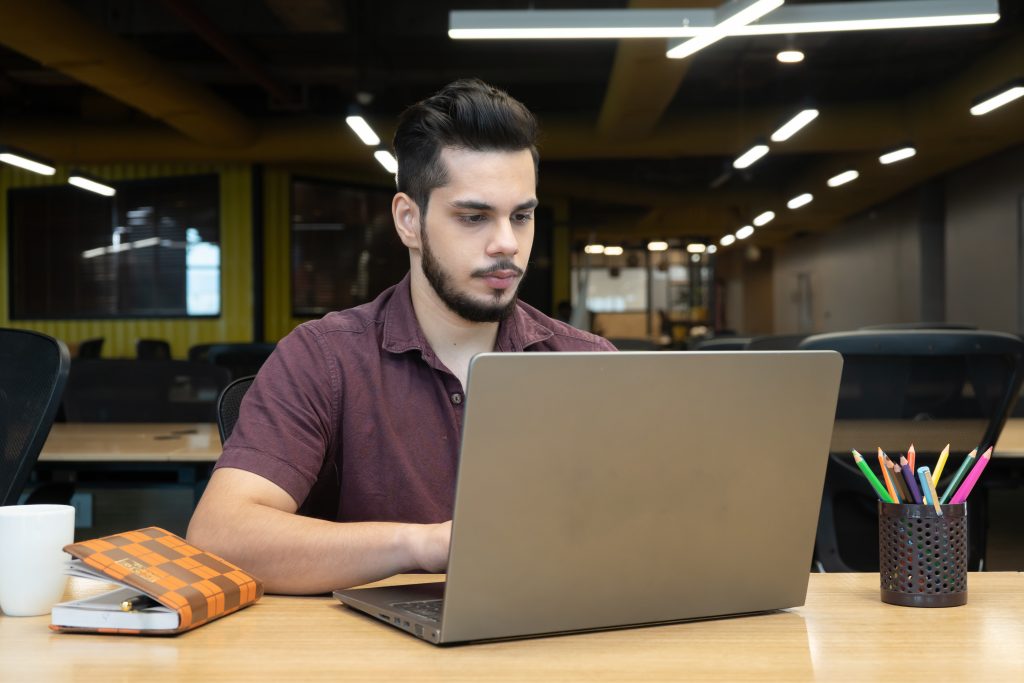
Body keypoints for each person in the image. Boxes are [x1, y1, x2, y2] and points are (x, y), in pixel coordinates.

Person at [186, 79, 615, 594]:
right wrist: (423, 546)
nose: (507, 244)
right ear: (409, 220)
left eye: (521, 217)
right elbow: (219, 537)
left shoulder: (588, 364)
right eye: (474, 217)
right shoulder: (324, 358)